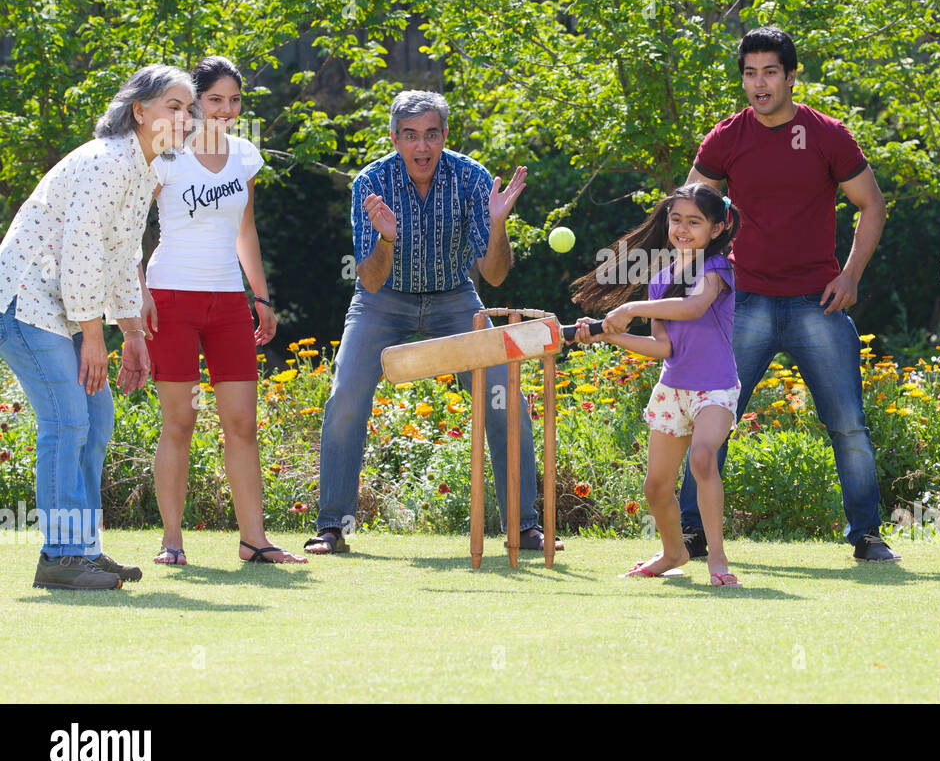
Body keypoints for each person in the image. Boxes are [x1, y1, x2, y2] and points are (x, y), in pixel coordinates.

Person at [306, 90, 562, 555]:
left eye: (430, 135)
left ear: (444, 136)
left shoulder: (471, 178)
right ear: (394, 138)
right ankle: (333, 527)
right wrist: (386, 238)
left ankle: (524, 528)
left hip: (454, 299)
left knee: (505, 396)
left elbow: (496, 276)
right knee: (345, 396)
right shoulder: (371, 182)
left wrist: (498, 224)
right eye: (409, 136)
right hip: (383, 302)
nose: (421, 147)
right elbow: (370, 278)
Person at [679, 26, 898, 562]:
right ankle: (691, 533)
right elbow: (688, 215)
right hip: (742, 303)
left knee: (847, 424)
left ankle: (866, 536)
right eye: (750, 73)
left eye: (770, 72)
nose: (759, 83)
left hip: (814, 304)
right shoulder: (726, 137)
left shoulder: (827, 134)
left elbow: (872, 204)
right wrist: (702, 285)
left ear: (791, 77)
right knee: (714, 420)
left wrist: (850, 275)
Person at [0, 65, 193, 590]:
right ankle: (60, 556)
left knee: (95, 420)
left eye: (187, 109)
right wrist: (93, 338)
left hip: (61, 308)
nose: (184, 118)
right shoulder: (108, 162)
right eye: (172, 107)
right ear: (140, 112)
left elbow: (121, 256)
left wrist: (131, 334)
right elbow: (80, 253)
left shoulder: (143, 171)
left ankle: (83, 550)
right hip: (27, 301)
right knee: (66, 422)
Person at [139, 56, 305, 565]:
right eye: (215, 99)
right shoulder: (166, 154)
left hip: (230, 303)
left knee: (242, 425)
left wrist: (261, 296)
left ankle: (255, 540)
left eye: (235, 100)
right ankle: (172, 541)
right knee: (180, 424)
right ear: (195, 101)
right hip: (171, 299)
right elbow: (130, 226)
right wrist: (138, 288)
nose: (226, 110)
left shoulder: (245, 154)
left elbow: (244, 230)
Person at [571, 183, 743, 585]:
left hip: (714, 387)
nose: (683, 228)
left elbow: (694, 306)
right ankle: (673, 552)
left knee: (702, 458)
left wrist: (629, 307)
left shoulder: (717, 269)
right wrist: (608, 335)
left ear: (716, 229)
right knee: (656, 487)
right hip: (673, 390)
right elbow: (662, 346)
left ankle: (717, 559)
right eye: (676, 219)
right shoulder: (661, 279)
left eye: (695, 222)